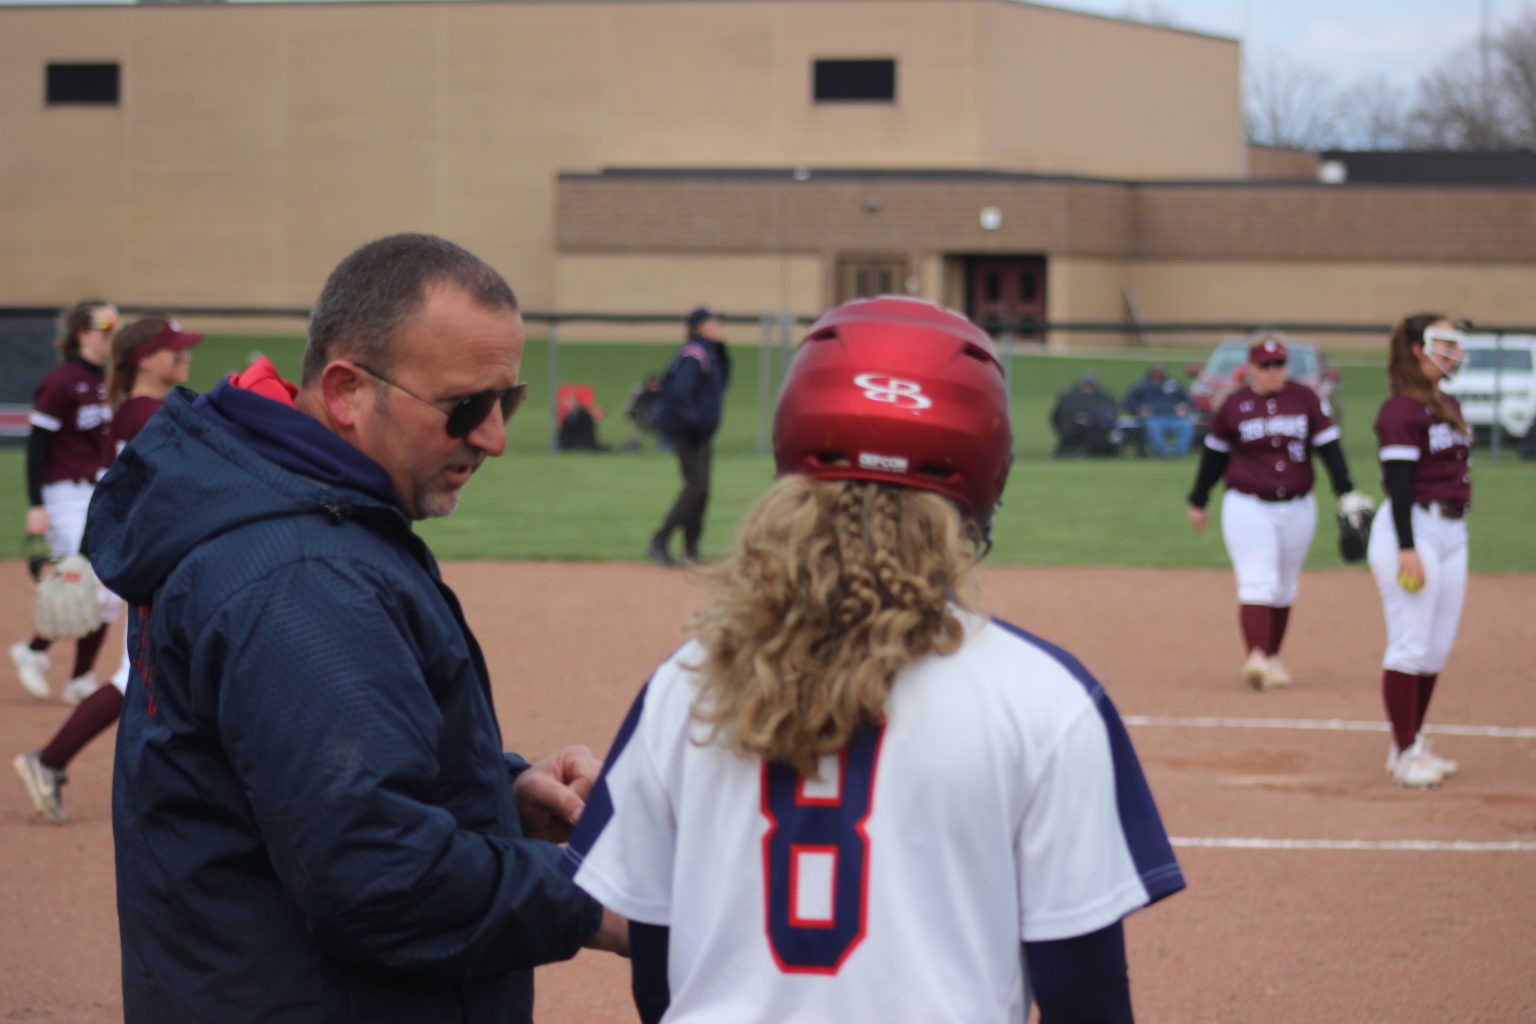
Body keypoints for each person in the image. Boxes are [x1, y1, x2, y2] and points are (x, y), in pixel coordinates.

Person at [565, 296, 1185, 1024]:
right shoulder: (1046, 698)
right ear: (988, 471)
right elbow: (1087, 1000)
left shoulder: (685, 683)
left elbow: (658, 972)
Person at [84, 234, 626, 1023]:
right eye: (465, 406)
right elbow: (377, 875)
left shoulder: (286, 516)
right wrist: (594, 900)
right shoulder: (303, 574)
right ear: (344, 392)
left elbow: (287, 789)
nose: (494, 437)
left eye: (506, 401)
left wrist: (496, 795)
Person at [12, 315, 202, 825]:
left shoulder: (141, 410)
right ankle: (49, 760)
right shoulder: (145, 415)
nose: (184, 355)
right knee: (137, 676)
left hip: (157, 559)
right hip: (161, 563)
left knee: (166, 678)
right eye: (173, 349)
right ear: (145, 358)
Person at [1186, 335, 1371, 691]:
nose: (1273, 372)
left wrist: (1345, 491)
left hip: (1299, 506)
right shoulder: (1234, 405)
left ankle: (1271, 657)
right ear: (1251, 368)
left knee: (1285, 587)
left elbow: (1330, 449)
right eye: (1266, 365)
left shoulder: (1306, 400)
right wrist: (1198, 500)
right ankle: (1255, 656)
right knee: (1257, 580)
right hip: (1247, 506)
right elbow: (1214, 457)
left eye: (1279, 364)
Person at [1368, 315, 1472, 789]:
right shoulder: (1399, 410)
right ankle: (1405, 752)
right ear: (1416, 349)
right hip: (1413, 531)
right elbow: (1401, 485)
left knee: (1435, 650)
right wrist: (1408, 547)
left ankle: (1409, 744)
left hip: (1451, 529)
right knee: (1410, 646)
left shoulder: (1444, 401)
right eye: (1442, 343)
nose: (1452, 352)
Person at [10, 298, 121, 705]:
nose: (112, 335)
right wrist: (35, 504)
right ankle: (39, 652)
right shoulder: (61, 381)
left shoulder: (107, 380)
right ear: (82, 334)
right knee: (90, 580)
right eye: (105, 327)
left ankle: (72, 674)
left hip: (96, 492)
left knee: (109, 588)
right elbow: (37, 446)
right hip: (63, 495)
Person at [646, 306, 730, 566]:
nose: (718, 326)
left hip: (699, 432)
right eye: (712, 322)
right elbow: (680, 395)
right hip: (689, 432)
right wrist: (694, 425)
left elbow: (720, 385)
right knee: (696, 488)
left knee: (701, 490)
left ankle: (691, 549)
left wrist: (722, 354)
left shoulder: (708, 353)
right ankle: (660, 540)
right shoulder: (694, 355)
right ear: (699, 327)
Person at [1124, 362, 1195, 457]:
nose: (1157, 374)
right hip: (1153, 417)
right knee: (1153, 427)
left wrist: (1184, 406)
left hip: (1175, 417)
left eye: (1160, 372)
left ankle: (1179, 454)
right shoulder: (1141, 386)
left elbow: (1188, 401)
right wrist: (1139, 409)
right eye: (1155, 372)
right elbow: (1128, 401)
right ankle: (1164, 454)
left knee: (1186, 425)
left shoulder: (1174, 384)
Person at [1050, 370, 1120, 456]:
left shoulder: (1104, 397)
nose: (1088, 386)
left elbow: (1110, 415)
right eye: (1086, 384)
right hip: (1073, 430)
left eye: (1090, 384)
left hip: (1096, 431)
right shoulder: (1070, 397)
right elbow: (1056, 417)